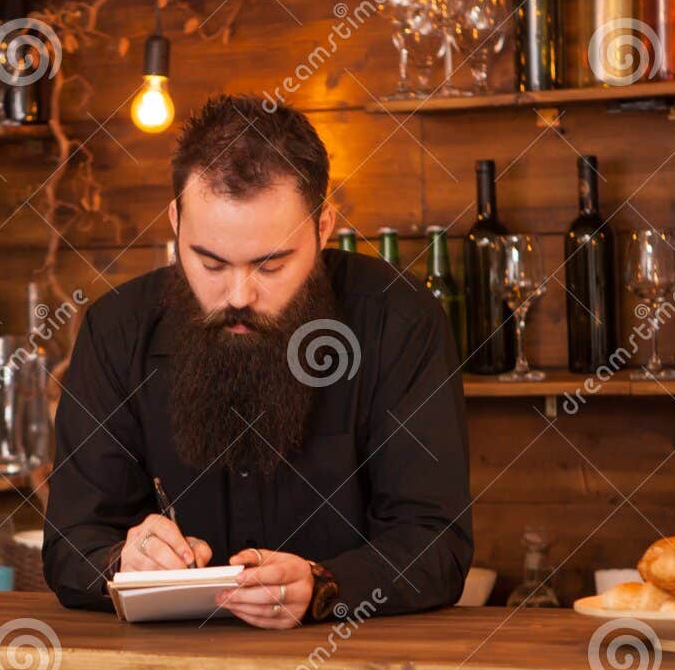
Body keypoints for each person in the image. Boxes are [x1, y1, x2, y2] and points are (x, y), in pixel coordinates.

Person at [43, 94, 472, 628]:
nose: (238, 296)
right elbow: (69, 546)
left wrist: (325, 585)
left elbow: (437, 546)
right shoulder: (117, 331)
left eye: (271, 265)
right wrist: (123, 563)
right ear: (176, 222)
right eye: (210, 262)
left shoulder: (399, 322)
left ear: (322, 228)